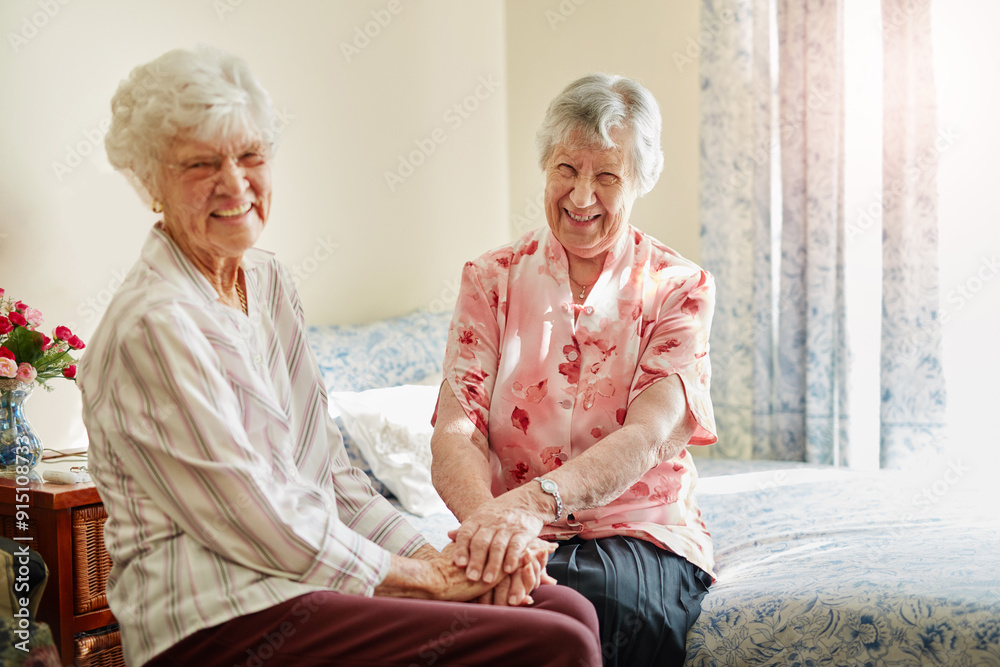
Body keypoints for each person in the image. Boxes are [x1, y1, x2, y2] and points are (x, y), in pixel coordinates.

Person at [78, 46, 601, 667]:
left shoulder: (267, 282)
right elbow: (258, 519)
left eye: (251, 156)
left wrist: (439, 557)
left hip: (306, 587)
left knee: (565, 607)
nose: (235, 183)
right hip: (217, 623)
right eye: (200, 164)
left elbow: (328, 472)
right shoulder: (154, 324)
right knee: (555, 640)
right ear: (150, 185)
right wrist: (431, 582)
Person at [430, 73, 718, 666]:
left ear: (640, 180)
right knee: (459, 617)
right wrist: (494, 526)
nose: (581, 196)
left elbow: (649, 434)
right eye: (566, 169)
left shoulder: (678, 287)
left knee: (613, 608)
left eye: (607, 176)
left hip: (636, 530)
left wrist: (529, 506)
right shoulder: (491, 279)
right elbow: (456, 431)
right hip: (508, 525)